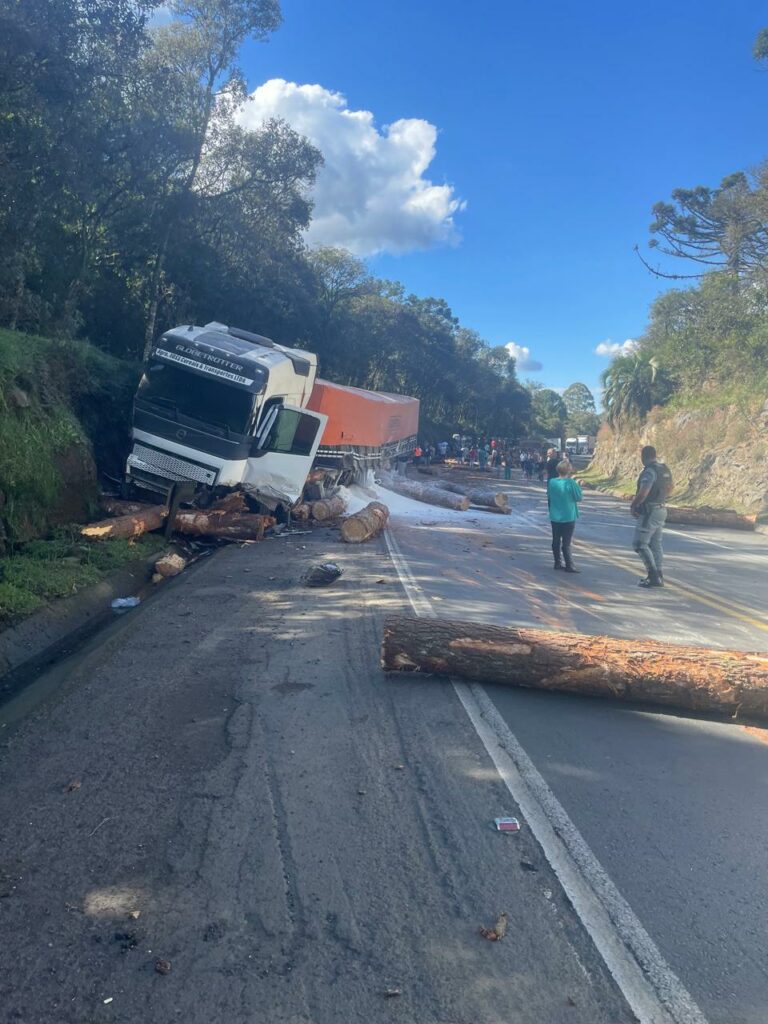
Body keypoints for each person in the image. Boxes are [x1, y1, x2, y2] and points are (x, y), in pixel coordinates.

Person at [630, 445, 673, 588]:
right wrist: (660, 498)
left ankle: (653, 576)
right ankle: (659, 574)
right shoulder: (664, 469)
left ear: (644, 457)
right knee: (655, 544)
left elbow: (644, 492)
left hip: (650, 511)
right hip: (661, 508)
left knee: (639, 544)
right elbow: (670, 488)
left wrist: (634, 505)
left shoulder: (649, 472)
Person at [547, 461, 582, 572]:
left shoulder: (552, 482)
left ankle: (557, 562)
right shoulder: (570, 483)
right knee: (566, 542)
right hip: (568, 515)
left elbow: (549, 496)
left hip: (555, 515)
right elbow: (578, 497)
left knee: (556, 540)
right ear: (568, 470)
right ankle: (569, 565)